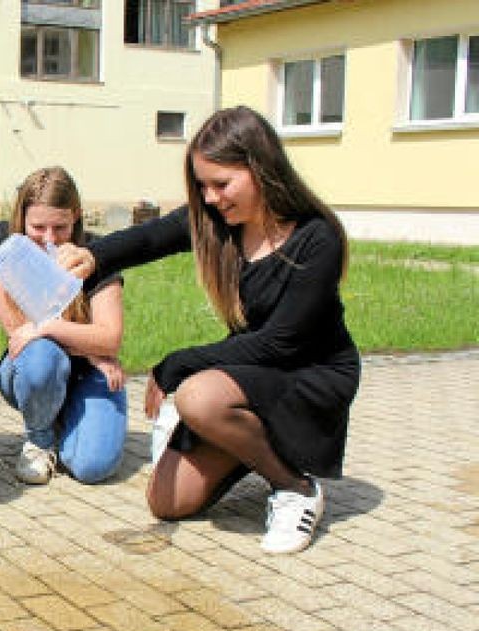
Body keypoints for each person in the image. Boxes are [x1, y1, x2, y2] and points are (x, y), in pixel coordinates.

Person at [61, 106, 360, 554]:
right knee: (167, 501)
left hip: (310, 373)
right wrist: (96, 257)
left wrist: (175, 366)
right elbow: (150, 238)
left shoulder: (317, 238)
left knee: (198, 396)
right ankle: (249, 440)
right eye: (202, 185)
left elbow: (281, 343)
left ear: (262, 169)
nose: (211, 196)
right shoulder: (219, 220)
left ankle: (294, 487)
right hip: (255, 369)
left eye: (222, 183)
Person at [0, 167, 127, 486]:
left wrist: (49, 328)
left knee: (93, 468)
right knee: (41, 356)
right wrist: (89, 348)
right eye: (38, 227)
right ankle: (41, 439)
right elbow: (20, 332)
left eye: (60, 227)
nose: (49, 238)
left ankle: (63, 416)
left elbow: (110, 338)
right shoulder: (3, 244)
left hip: (91, 374)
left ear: (76, 216)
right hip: (36, 367)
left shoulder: (97, 251)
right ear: (21, 218)